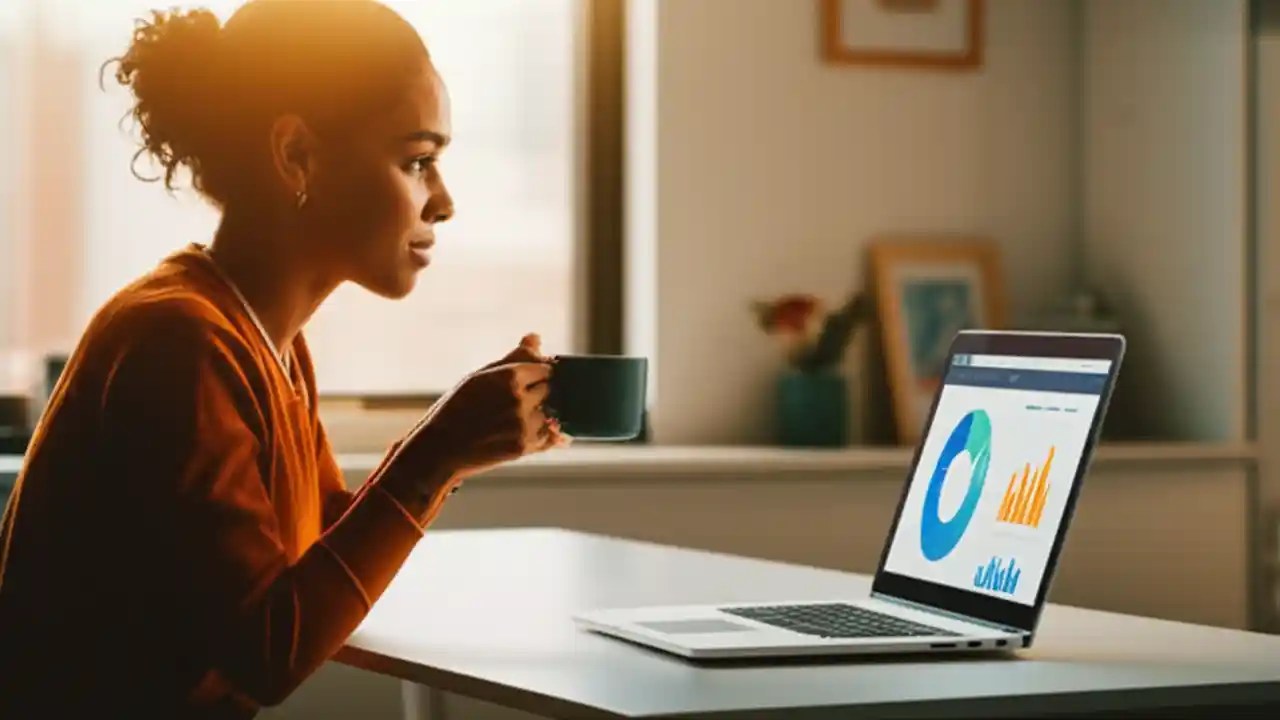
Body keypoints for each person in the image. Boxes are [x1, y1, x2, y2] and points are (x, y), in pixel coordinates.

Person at [0, 1, 569, 716]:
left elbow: (322, 547)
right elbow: (266, 651)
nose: (445, 202)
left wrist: (458, 445)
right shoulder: (181, 343)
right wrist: (435, 455)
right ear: (297, 154)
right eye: (417, 161)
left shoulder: (269, 342)